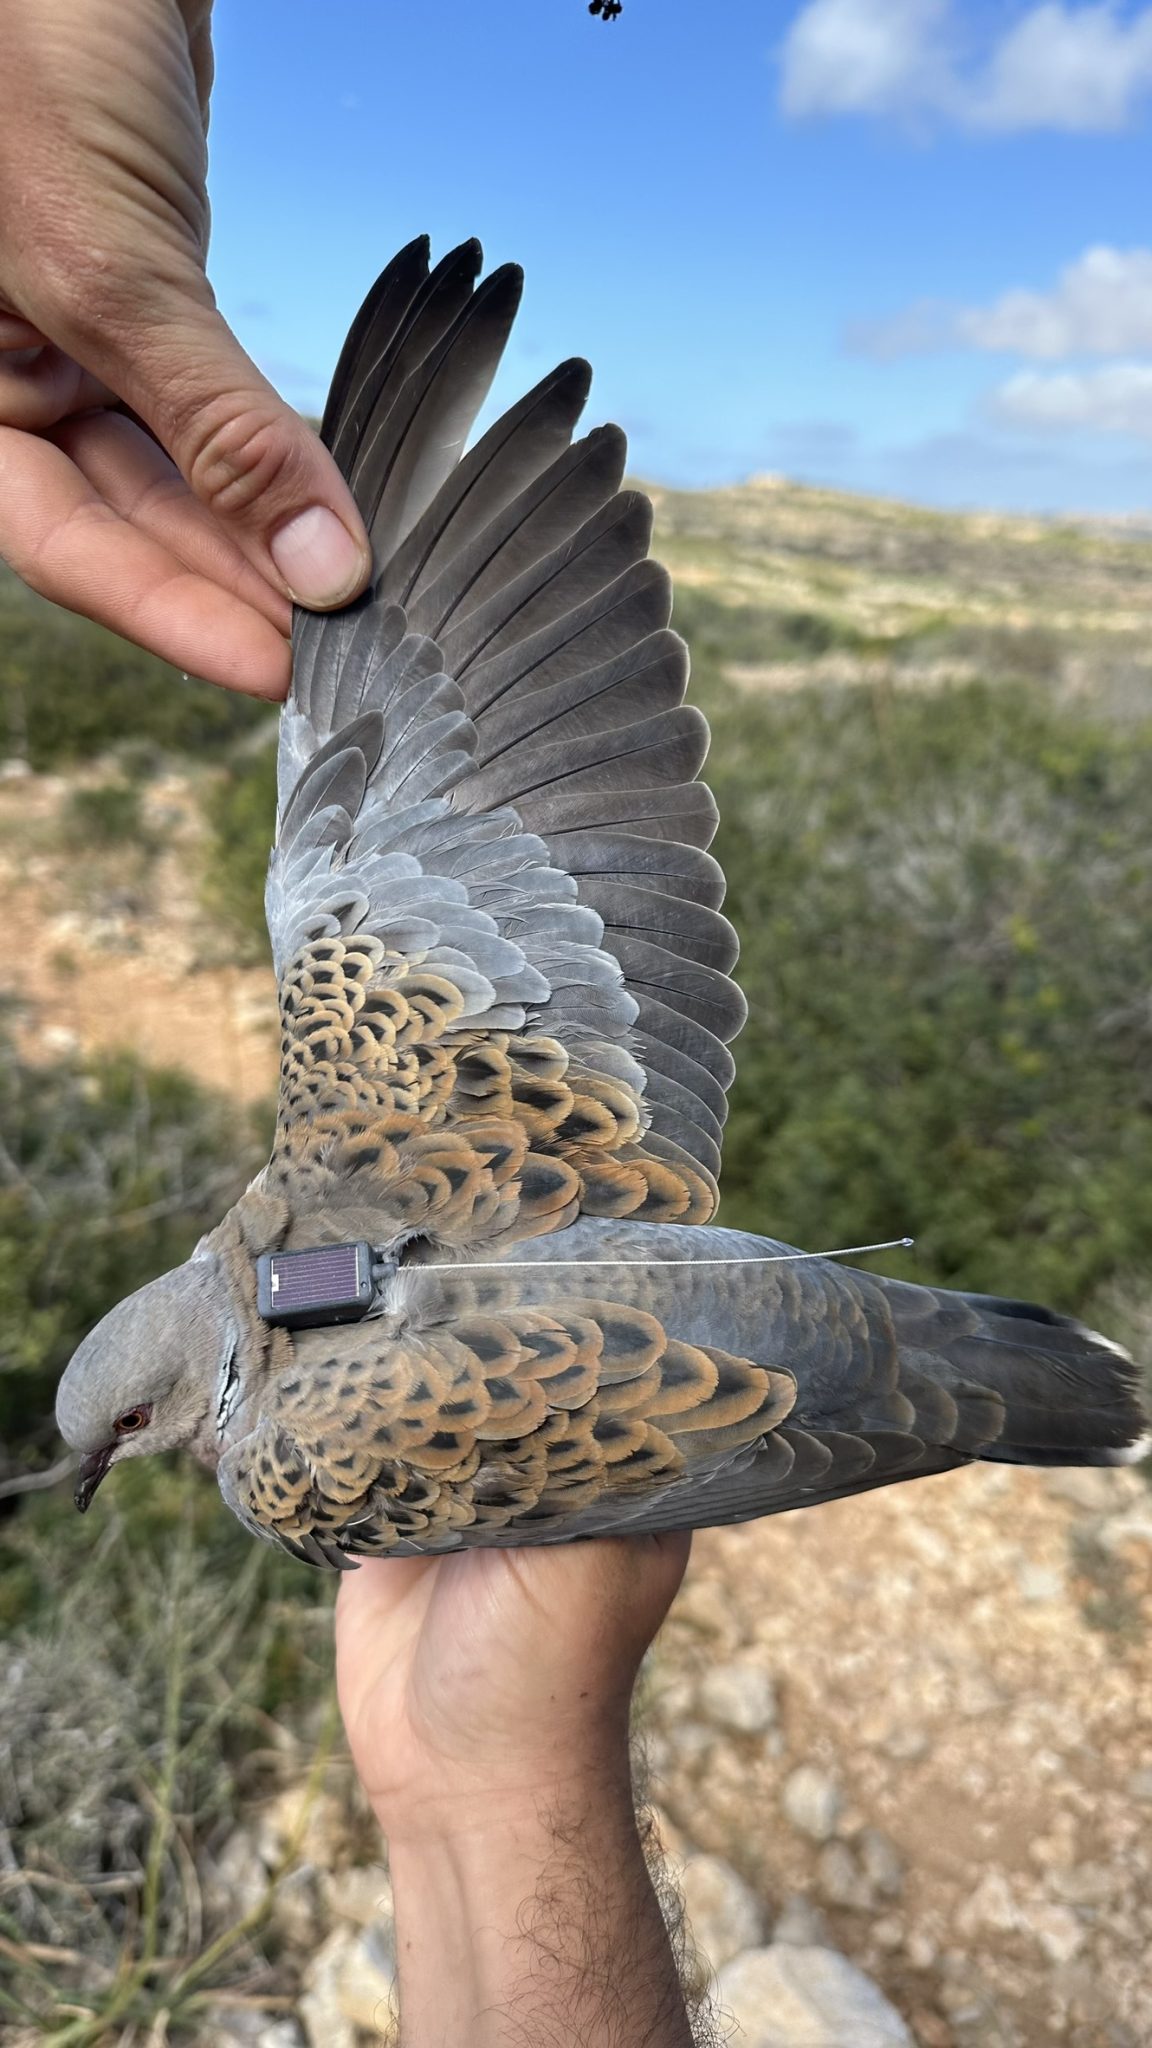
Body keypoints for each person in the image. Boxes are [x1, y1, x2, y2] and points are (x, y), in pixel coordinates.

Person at [0, 6, 701, 2040]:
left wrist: (502, 1780)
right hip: (638, 1257)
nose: (147, 1452)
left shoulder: (295, 1472)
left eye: (133, 1431)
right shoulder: (322, 1191)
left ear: (166, 1392)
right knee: (339, 868)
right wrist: (502, 1775)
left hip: (688, 1345)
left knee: (336, 846)